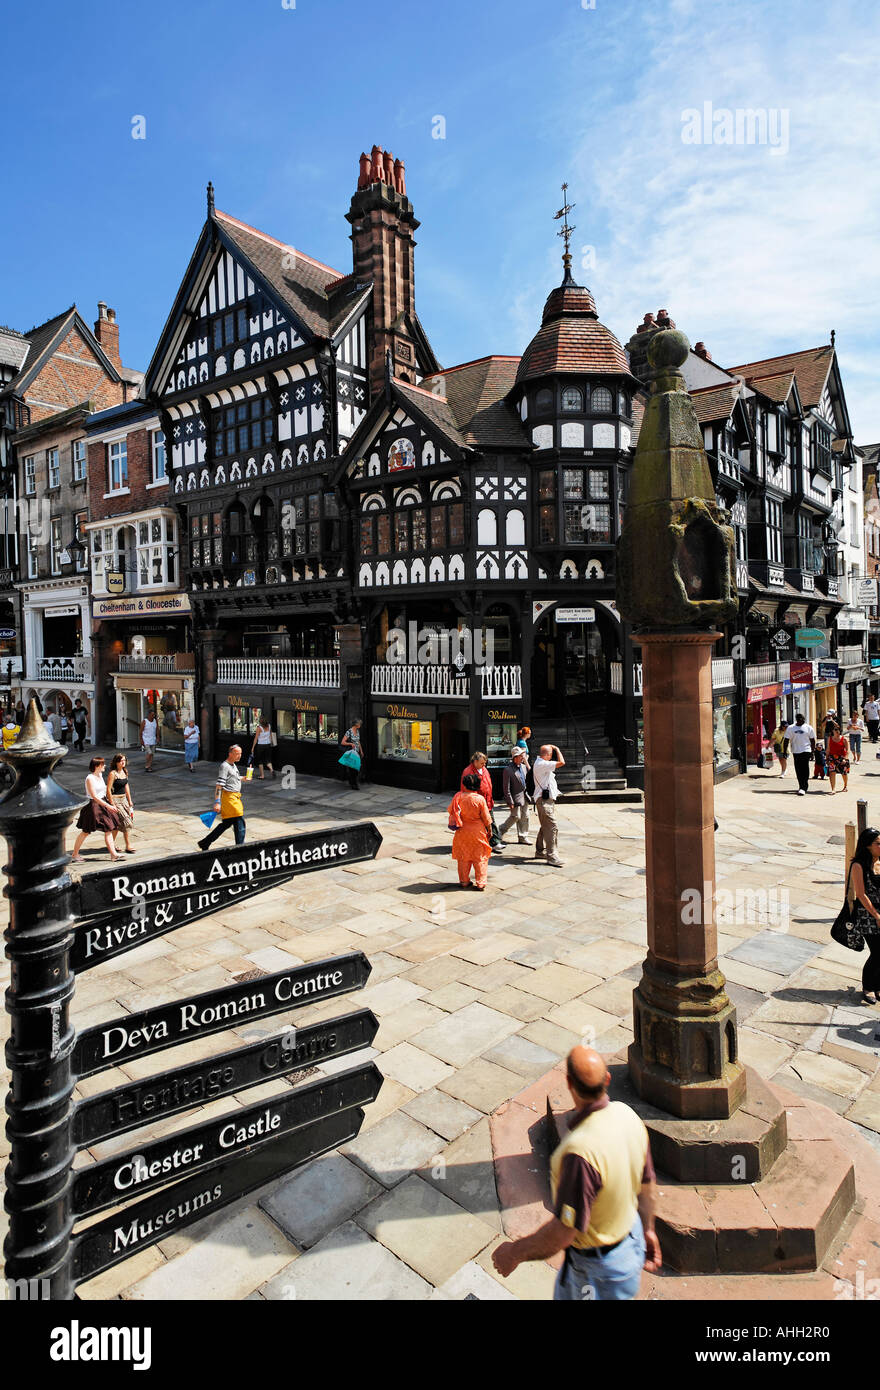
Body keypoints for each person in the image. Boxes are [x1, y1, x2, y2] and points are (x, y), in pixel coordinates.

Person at [491, 1047, 661, 1300]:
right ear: (607, 1080)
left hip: (598, 1270)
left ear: (569, 1083)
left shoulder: (578, 1155)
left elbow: (563, 1232)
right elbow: (646, 1187)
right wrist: (648, 1229)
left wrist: (513, 1253)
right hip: (631, 1241)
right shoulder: (628, 1116)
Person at [848, 827, 880, 1004]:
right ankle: (868, 986)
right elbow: (861, 894)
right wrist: (876, 915)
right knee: (877, 952)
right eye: (878, 844)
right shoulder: (858, 865)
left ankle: (878, 985)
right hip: (867, 914)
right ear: (867, 846)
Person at [70, 757, 122, 863]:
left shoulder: (100, 775)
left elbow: (102, 792)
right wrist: (108, 806)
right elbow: (94, 796)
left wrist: (110, 801)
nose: (104, 766)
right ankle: (75, 854)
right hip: (93, 806)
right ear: (97, 766)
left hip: (102, 803)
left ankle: (113, 855)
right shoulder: (90, 778)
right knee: (86, 831)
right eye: (103, 765)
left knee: (108, 829)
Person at [448, 770, 493, 890]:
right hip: (477, 831)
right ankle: (481, 882)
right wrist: (490, 830)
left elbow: (451, 811)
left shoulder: (458, 797)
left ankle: (464, 881)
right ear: (477, 785)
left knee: (463, 857)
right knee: (480, 856)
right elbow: (486, 817)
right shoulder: (479, 799)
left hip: (462, 830)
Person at [198, 745, 247, 849]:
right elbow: (219, 785)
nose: (240, 756)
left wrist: (243, 778)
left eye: (241, 753)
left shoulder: (233, 765)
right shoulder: (224, 766)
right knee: (239, 821)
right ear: (230, 754)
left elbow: (233, 778)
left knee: (226, 823)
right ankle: (240, 848)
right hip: (229, 799)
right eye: (237, 754)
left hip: (234, 798)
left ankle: (205, 842)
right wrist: (217, 802)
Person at [461, 750, 501, 850]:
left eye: (485, 763)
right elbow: (465, 789)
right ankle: (489, 843)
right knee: (482, 824)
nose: (484, 765)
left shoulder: (484, 770)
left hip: (487, 801)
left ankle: (494, 842)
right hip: (477, 803)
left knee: (490, 821)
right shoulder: (468, 772)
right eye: (482, 763)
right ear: (475, 761)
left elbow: (488, 784)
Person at [533, 742, 565, 866]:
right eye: (551, 754)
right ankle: (552, 856)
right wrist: (557, 749)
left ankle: (539, 851)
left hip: (545, 800)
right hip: (544, 801)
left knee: (545, 825)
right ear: (548, 754)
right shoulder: (542, 764)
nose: (552, 756)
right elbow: (562, 762)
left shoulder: (541, 763)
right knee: (552, 827)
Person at [499, 746, 531, 844]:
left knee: (525, 816)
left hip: (525, 796)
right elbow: (506, 788)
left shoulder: (524, 766)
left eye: (523, 755)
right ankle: (500, 830)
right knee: (515, 816)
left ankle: (523, 836)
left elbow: (530, 774)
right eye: (521, 756)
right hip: (515, 797)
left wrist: (526, 761)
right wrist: (509, 801)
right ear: (515, 757)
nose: (522, 757)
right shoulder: (508, 770)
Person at [106, 753, 135, 854]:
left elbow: (126, 786)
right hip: (116, 800)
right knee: (127, 822)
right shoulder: (112, 774)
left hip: (124, 800)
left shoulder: (124, 771)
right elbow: (108, 790)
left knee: (119, 824)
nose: (123, 762)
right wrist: (112, 803)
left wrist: (129, 800)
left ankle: (113, 844)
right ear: (116, 762)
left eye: (124, 760)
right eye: (121, 761)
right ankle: (128, 846)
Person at [787, 712, 816, 795]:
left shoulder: (808, 728)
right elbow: (786, 739)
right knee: (798, 769)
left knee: (805, 768)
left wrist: (812, 752)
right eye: (800, 720)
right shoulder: (791, 728)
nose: (802, 721)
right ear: (797, 720)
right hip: (796, 751)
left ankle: (804, 786)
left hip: (806, 750)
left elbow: (812, 740)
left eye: (803, 720)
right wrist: (785, 750)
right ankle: (801, 785)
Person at [826, 723, 850, 793]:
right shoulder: (829, 739)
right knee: (832, 772)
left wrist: (845, 759)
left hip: (842, 758)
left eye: (838, 730)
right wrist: (826, 758)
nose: (837, 731)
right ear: (832, 731)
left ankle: (845, 786)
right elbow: (828, 749)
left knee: (844, 773)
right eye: (835, 730)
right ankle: (833, 789)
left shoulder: (844, 739)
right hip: (832, 758)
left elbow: (847, 750)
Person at [340, 718, 363, 790]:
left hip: (357, 752)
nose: (360, 725)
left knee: (356, 769)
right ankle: (354, 784)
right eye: (360, 724)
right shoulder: (349, 732)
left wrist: (361, 751)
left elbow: (358, 741)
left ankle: (352, 782)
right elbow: (342, 742)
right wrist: (350, 743)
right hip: (351, 753)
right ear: (356, 724)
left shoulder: (357, 731)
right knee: (352, 769)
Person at [140, 707, 158, 771]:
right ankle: (147, 765)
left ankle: (149, 766)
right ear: (149, 715)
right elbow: (141, 732)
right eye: (152, 715)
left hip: (153, 740)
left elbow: (157, 729)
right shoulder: (145, 721)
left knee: (152, 754)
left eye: (154, 715)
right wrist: (141, 740)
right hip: (146, 740)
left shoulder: (155, 721)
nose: (153, 716)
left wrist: (158, 737)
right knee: (149, 753)